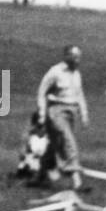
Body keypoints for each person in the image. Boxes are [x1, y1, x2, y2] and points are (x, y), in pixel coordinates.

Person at [36, 44, 88, 190]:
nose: (78, 60)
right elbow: (41, 92)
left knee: (55, 145)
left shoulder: (77, 73)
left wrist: (84, 114)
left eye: (79, 56)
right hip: (56, 111)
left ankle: (40, 176)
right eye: (75, 56)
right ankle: (77, 181)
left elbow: (79, 94)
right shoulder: (55, 72)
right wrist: (41, 114)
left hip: (72, 113)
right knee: (67, 141)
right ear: (67, 56)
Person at [14, 111, 51, 184]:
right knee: (30, 162)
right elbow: (23, 152)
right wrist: (25, 155)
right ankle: (28, 172)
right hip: (32, 158)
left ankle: (36, 174)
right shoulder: (30, 134)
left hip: (44, 160)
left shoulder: (49, 135)